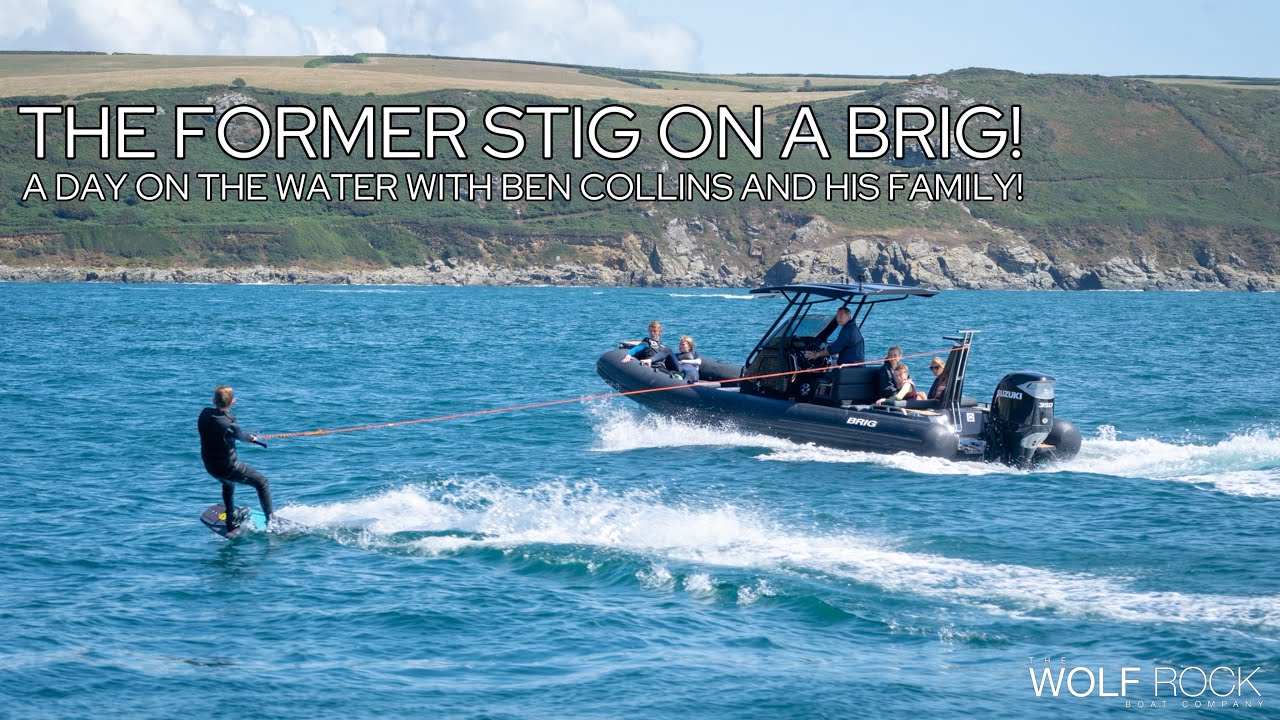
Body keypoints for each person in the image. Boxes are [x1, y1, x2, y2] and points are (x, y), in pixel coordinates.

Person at [198, 385, 273, 530]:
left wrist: (243, 435)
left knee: (228, 484)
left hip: (210, 466)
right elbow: (242, 436)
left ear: (213, 400)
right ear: (233, 402)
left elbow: (229, 431)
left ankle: (231, 518)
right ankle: (272, 522)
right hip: (228, 468)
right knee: (262, 483)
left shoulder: (204, 414)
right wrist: (251, 438)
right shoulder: (230, 425)